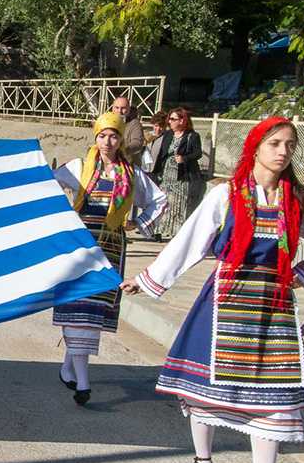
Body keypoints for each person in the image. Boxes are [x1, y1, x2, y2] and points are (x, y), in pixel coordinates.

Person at [124, 117, 304, 463]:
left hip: (274, 305)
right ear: (255, 147)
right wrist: (149, 279)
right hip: (226, 299)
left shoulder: (299, 200)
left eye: (290, 145)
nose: (283, 151)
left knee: (275, 400)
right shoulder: (227, 195)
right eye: (275, 143)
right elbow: (190, 240)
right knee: (208, 392)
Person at [52, 112, 166, 405]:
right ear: (95, 137)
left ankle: (69, 367)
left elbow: (159, 200)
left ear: (120, 139)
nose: (107, 141)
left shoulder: (132, 174)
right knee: (78, 306)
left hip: (111, 247)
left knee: (91, 311)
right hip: (79, 246)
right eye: (103, 135)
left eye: (113, 135)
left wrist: (139, 223)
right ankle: (83, 383)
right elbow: (48, 185)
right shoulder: (78, 167)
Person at [150, 107, 204, 241]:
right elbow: (162, 152)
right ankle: (159, 231)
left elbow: (198, 153)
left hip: (182, 175)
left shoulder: (192, 136)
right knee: (163, 203)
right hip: (166, 174)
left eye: (173, 119)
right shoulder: (168, 135)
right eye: (169, 119)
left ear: (182, 120)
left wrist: (184, 158)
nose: (170, 122)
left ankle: (176, 233)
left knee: (178, 205)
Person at [112, 92, 145, 164]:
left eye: (123, 108)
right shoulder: (108, 122)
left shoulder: (135, 123)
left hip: (128, 166)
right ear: (112, 108)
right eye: (117, 108)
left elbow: (137, 143)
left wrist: (121, 150)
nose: (119, 111)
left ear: (129, 109)